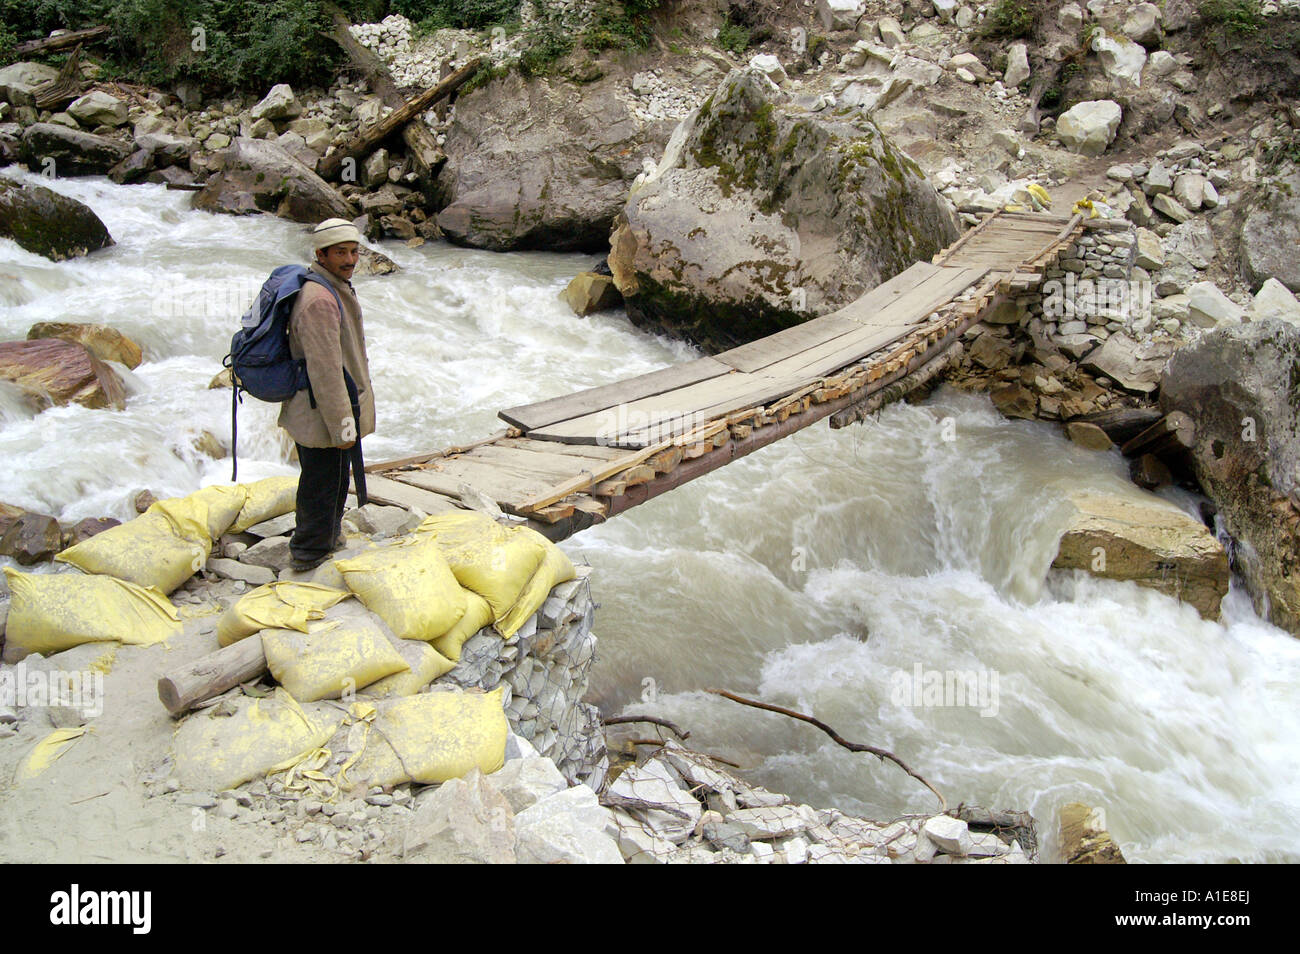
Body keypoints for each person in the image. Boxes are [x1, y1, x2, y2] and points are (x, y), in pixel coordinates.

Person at [279, 218, 376, 572]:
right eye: (341, 253)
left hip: (326, 409)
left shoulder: (333, 286)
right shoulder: (320, 299)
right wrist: (342, 428)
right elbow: (326, 372)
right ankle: (308, 553)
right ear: (321, 254)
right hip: (321, 411)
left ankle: (326, 538)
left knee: (333, 478)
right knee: (321, 482)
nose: (350, 260)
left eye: (354, 251)